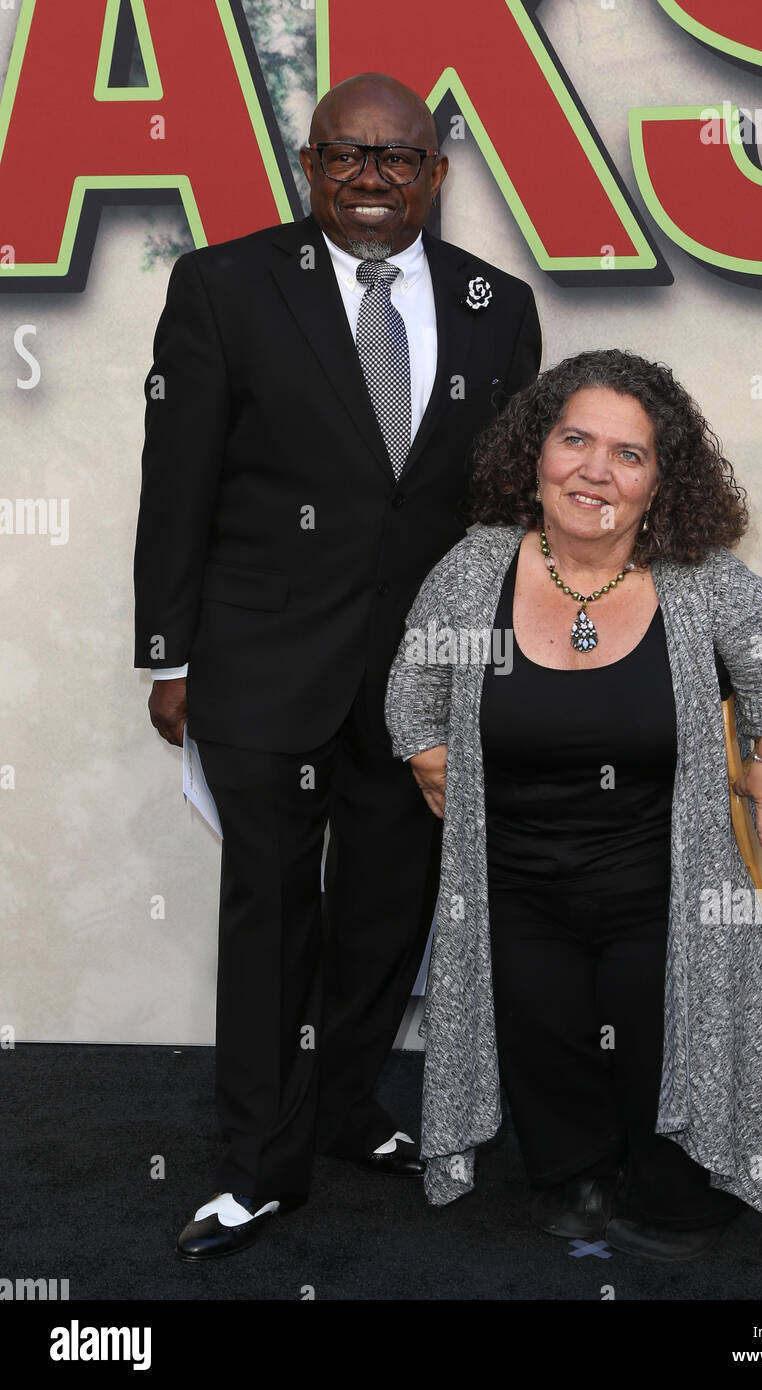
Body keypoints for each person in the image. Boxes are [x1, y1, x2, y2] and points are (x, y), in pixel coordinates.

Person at [133, 71, 541, 1261]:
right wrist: (169, 654)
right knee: (271, 915)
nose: (371, 177)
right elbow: (179, 482)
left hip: (422, 674)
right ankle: (258, 1165)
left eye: (397, 158)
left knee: (385, 909)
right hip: (260, 663)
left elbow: (498, 510)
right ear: (308, 167)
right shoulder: (222, 285)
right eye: (345, 156)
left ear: (435, 172)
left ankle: (348, 1106)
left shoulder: (495, 306)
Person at [384, 348, 762, 1262]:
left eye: (628, 454)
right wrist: (435, 770)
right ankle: (573, 1172)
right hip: (514, 872)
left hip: (658, 871)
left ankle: (672, 1180)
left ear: (661, 482)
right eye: (574, 440)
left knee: (661, 1031)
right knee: (545, 1031)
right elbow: (415, 691)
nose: (594, 470)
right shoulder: (476, 571)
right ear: (534, 455)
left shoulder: (695, 580)